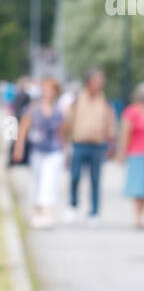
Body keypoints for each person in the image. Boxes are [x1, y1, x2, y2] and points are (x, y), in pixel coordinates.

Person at [63, 68, 116, 225]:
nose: (100, 84)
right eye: (97, 81)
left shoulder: (105, 102)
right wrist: (65, 143)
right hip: (79, 143)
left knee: (95, 179)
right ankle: (72, 206)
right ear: (89, 82)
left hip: (98, 145)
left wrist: (111, 143)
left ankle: (94, 212)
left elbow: (110, 124)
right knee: (75, 176)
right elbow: (68, 122)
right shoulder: (78, 100)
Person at [14, 76, 64, 227]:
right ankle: (37, 212)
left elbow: (63, 132)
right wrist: (19, 148)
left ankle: (47, 213)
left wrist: (66, 151)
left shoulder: (59, 111)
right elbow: (23, 129)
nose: (48, 92)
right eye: (46, 88)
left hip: (54, 150)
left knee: (49, 181)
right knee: (37, 181)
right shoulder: (33, 109)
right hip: (37, 150)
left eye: (51, 89)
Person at [117, 82, 144, 229]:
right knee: (138, 189)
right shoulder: (131, 111)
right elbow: (125, 133)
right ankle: (138, 218)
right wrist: (122, 152)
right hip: (136, 153)